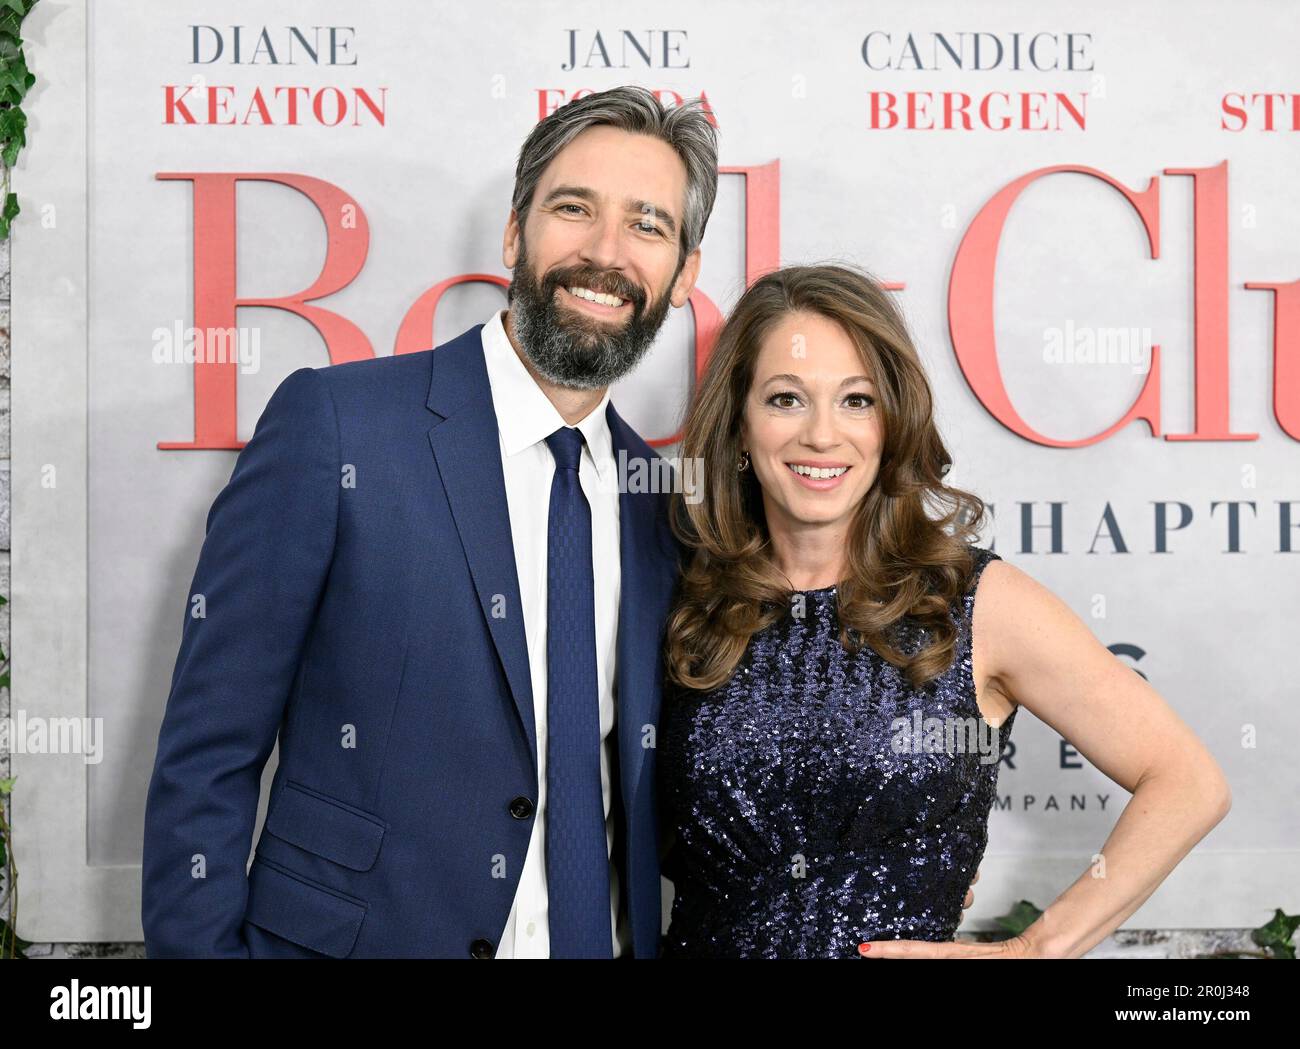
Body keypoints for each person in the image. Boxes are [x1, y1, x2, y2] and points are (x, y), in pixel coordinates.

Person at [141, 85, 715, 958]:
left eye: (648, 225)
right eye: (574, 208)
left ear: (683, 276)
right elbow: (205, 756)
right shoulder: (336, 427)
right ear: (515, 231)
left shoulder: (663, 508)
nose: (606, 253)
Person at [657, 263, 1232, 959]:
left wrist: (1036, 949)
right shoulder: (683, 599)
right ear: (741, 425)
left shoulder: (975, 603)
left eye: (857, 401)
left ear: (892, 423)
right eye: (785, 399)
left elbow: (1188, 782)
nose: (821, 434)